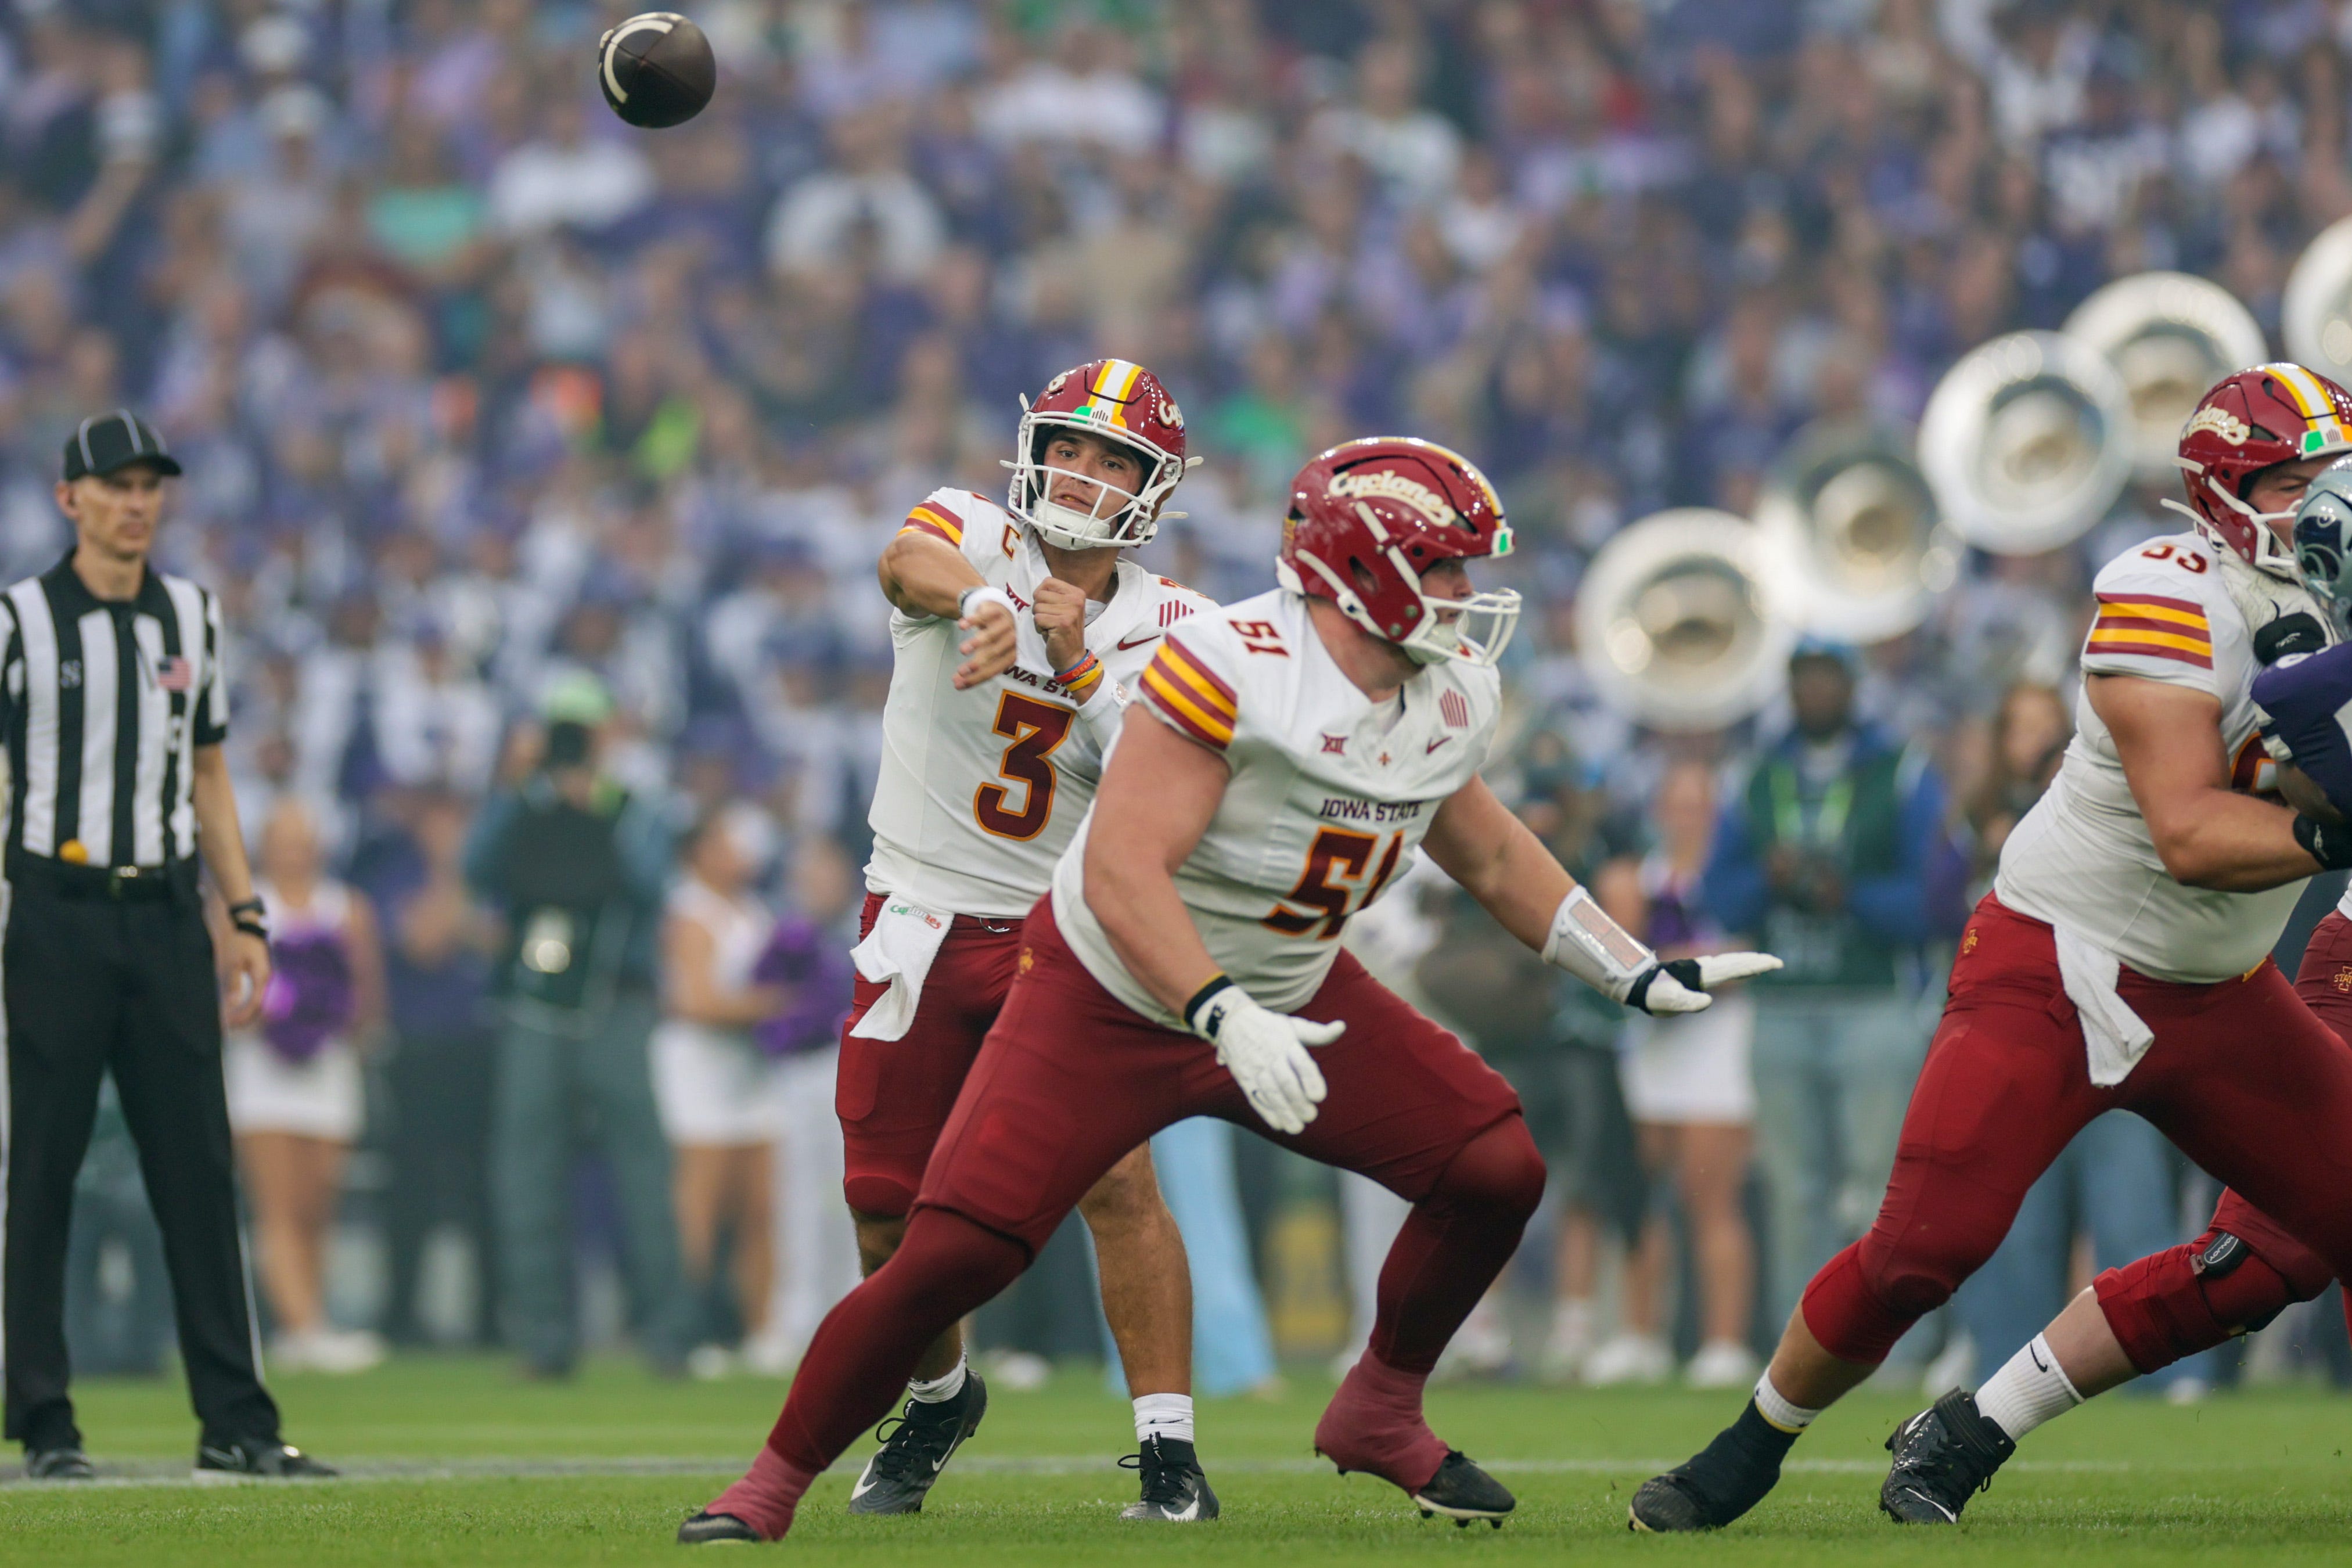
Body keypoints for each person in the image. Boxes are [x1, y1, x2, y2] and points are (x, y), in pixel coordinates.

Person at [677, 437, 1779, 1544]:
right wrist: (1218, 1011)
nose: (1466, 596)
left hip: (1289, 985)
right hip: (1110, 995)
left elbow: (1488, 853)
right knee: (957, 1248)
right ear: (1370, 569)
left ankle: (1380, 1407)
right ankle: (770, 1485)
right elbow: (1116, 869)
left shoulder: (1452, 691)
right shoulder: (1225, 660)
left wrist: (1628, 966)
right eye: (1444, 570)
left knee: (1494, 1165)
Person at [1629, 365, 2352, 1532]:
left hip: (2220, 991)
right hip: (2064, 961)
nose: (2330, 504)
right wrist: (2332, 821)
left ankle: (1968, 1433)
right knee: (1924, 1252)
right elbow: (2189, 832)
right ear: (2227, 497)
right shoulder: (2166, 592)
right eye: (2304, 481)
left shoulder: (2333, 599)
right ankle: (1752, 1442)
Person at [1871, 454, 2352, 1520]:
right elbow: (2300, 744)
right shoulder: (2302, 648)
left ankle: (1968, 1427)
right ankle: (1972, 1428)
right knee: (2261, 1261)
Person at [820, 359, 1216, 1520]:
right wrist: (987, 606)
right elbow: (904, 560)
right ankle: (940, 1396)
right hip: (920, 906)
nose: (1083, 476)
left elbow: (1169, 764)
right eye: (1072, 449)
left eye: (1114, 461)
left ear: (1153, 490)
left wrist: (1079, 650)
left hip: (1068, 924)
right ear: (1032, 448)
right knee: (885, 1205)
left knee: (1117, 1180)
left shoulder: (1176, 621)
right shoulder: (967, 531)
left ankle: (1169, 1450)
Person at [3, 411, 333, 1480]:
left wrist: (241, 915)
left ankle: (236, 1422)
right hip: (53, 908)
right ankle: (45, 1422)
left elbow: (209, 775)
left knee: (195, 1169)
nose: (137, 501)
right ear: (71, 501)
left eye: (150, 484)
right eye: (117, 484)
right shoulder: (20, 621)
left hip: (163, 916)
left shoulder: (189, 615)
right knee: (44, 1168)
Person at [1702, 640, 1948, 1329]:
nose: (1814, 691)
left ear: (1851, 684)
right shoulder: (1754, 775)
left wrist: (1852, 896)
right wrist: (1769, 882)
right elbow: (1718, 895)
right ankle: (1803, 1347)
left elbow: (1934, 900)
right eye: (1802, 678)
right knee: (1794, 1191)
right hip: (1779, 1004)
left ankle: (1893, 1348)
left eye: (1827, 678)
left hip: (1874, 1001)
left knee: (1884, 1186)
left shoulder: (1901, 771)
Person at [466, 677, 693, 1378]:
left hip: (615, 1002)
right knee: (525, 1171)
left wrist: (591, 807)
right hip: (536, 1002)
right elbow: (476, 869)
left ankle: (669, 1335)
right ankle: (544, 1338)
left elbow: (653, 886)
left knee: (644, 1172)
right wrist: (517, 788)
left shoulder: (634, 808)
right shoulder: (521, 802)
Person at [1596, 758, 1760, 1390]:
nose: (1686, 816)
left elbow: (1747, 955)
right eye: (1677, 802)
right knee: (1642, 1198)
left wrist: (1695, 967)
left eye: (1700, 804)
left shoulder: (1733, 878)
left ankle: (1724, 1342)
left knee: (1712, 1198)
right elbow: (1619, 952)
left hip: (1717, 1045)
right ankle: (1640, 1334)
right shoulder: (1635, 876)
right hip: (1651, 1046)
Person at [225, 796, 389, 1375]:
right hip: (262, 1072)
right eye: (284, 840)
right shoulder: (243, 907)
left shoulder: (347, 907)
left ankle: (308, 1320)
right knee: (277, 1202)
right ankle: (301, 1324)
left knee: (318, 1199)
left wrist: (329, 1019)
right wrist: (276, 1015)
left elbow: (367, 989)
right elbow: (227, 986)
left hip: (329, 1067)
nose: (295, 852)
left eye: (303, 840)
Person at [654, 806, 787, 1372]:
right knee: (699, 1209)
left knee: (761, 1206)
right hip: (698, 1071)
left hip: (753, 1071)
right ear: (699, 854)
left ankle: (761, 1331)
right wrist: (778, 1009)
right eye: (726, 844)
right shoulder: (688, 913)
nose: (740, 854)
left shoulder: (753, 909)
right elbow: (695, 1001)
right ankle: (689, 1332)